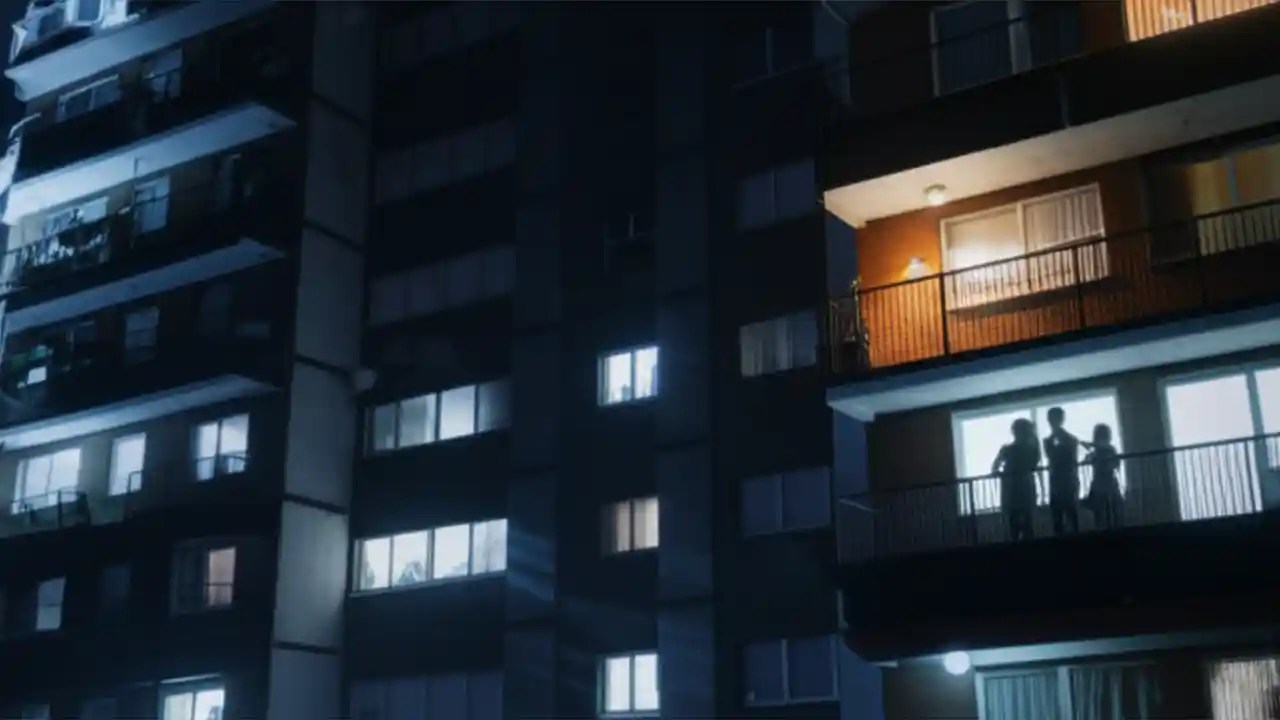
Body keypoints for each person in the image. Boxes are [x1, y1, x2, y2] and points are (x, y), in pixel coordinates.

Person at [994, 418, 1041, 542]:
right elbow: (1034, 464)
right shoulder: (1029, 449)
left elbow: (995, 468)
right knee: (1025, 525)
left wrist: (1003, 475)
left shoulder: (1008, 449)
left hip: (1014, 491)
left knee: (1016, 526)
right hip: (1023, 489)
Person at [1043, 406, 1081, 535]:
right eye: (1050, 419)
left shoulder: (1069, 440)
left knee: (1070, 517)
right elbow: (1052, 456)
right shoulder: (1051, 440)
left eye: (1053, 419)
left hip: (1067, 482)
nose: (1051, 422)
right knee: (1059, 519)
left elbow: (1057, 457)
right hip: (1058, 483)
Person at [1084, 423, 1123, 529]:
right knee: (1103, 511)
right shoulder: (1104, 450)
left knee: (1109, 510)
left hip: (1104, 482)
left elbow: (1115, 463)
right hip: (1103, 482)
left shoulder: (1106, 449)